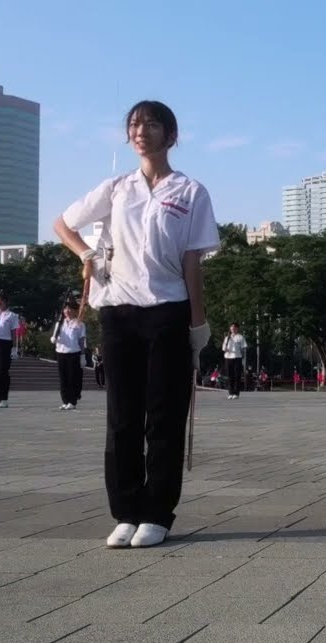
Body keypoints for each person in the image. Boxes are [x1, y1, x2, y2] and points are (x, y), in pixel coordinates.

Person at [53, 99, 219, 549]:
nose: (140, 130)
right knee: (122, 417)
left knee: (163, 417)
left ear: (171, 134)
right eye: (133, 124)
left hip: (168, 310)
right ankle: (125, 510)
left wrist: (197, 325)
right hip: (119, 312)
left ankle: (157, 513)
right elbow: (63, 224)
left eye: (151, 123)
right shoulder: (116, 188)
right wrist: (85, 253)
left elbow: (192, 263)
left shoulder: (190, 192)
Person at [52, 301, 87, 410]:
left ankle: (72, 401)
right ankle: (65, 400)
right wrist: (53, 339)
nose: (67, 311)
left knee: (73, 378)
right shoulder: (59, 323)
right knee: (63, 379)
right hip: (61, 353)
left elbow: (82, 341)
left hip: (74, 353)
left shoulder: (79, 324)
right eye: (66, 308)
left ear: (75, 311)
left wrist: (83, 355)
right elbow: (54, 336)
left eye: (70, 308)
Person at [222, 323, 246, 400]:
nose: (233, 329)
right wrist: (225, 349)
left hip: (237, 358)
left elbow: (243, 348)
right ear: (230, 328)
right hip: (228, 357)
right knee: (230, 376)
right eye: (231, 327)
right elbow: (223, 347)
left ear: (237, 328)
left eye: (234, 327)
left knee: (237, 376)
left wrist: (242, 357)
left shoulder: (240, 337)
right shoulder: (227, 337)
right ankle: (230, 393)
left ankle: (236, 393)